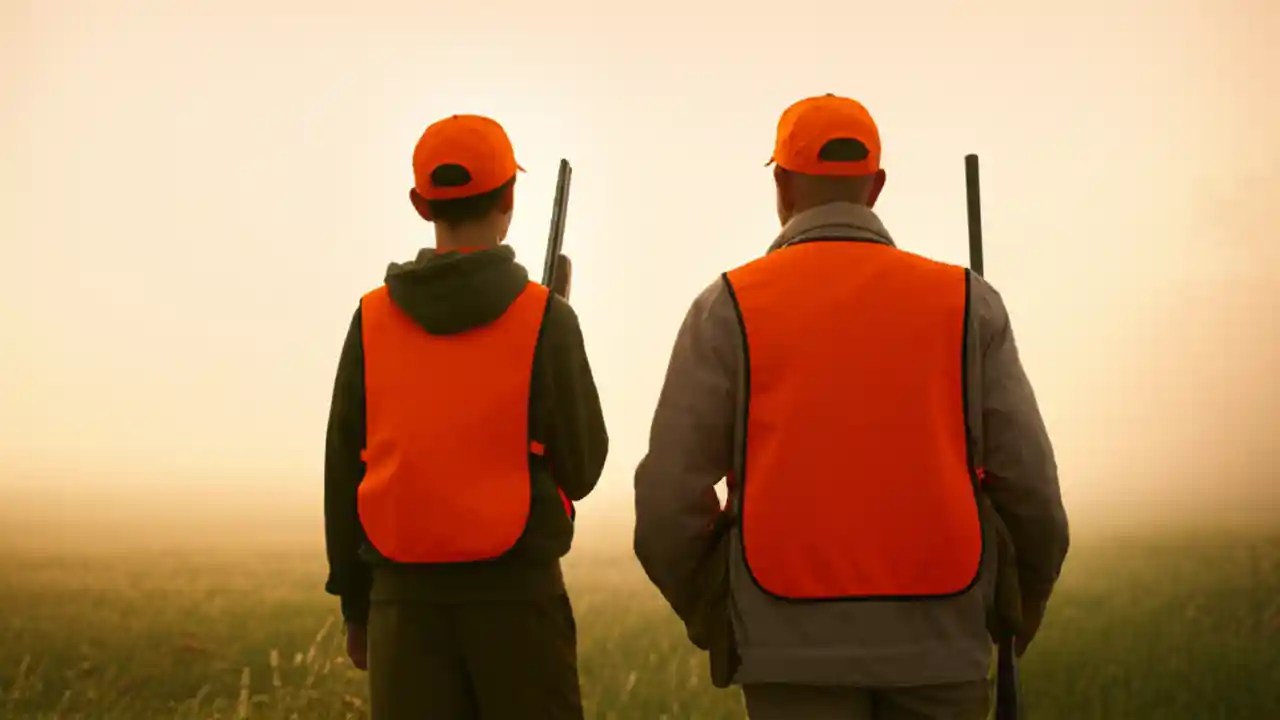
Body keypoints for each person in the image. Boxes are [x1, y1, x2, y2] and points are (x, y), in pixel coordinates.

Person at [633, 93, 1069, 719]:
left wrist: (726, 613)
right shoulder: (967, 302)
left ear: (781, 184)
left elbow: (667, 507)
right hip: (943, 651)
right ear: (876, 186)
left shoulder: (727, 306)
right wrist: (1012, 617)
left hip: (785, 654)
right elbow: (1033, 495)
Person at [323, 113, 608, 720]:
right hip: (520, 603)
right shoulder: (546, 320)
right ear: (509, 198)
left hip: (402, 607)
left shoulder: (371, 319)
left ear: (421, 203)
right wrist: (551, 332)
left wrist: (356, 605)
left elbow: (342, 468)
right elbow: (583, 468)